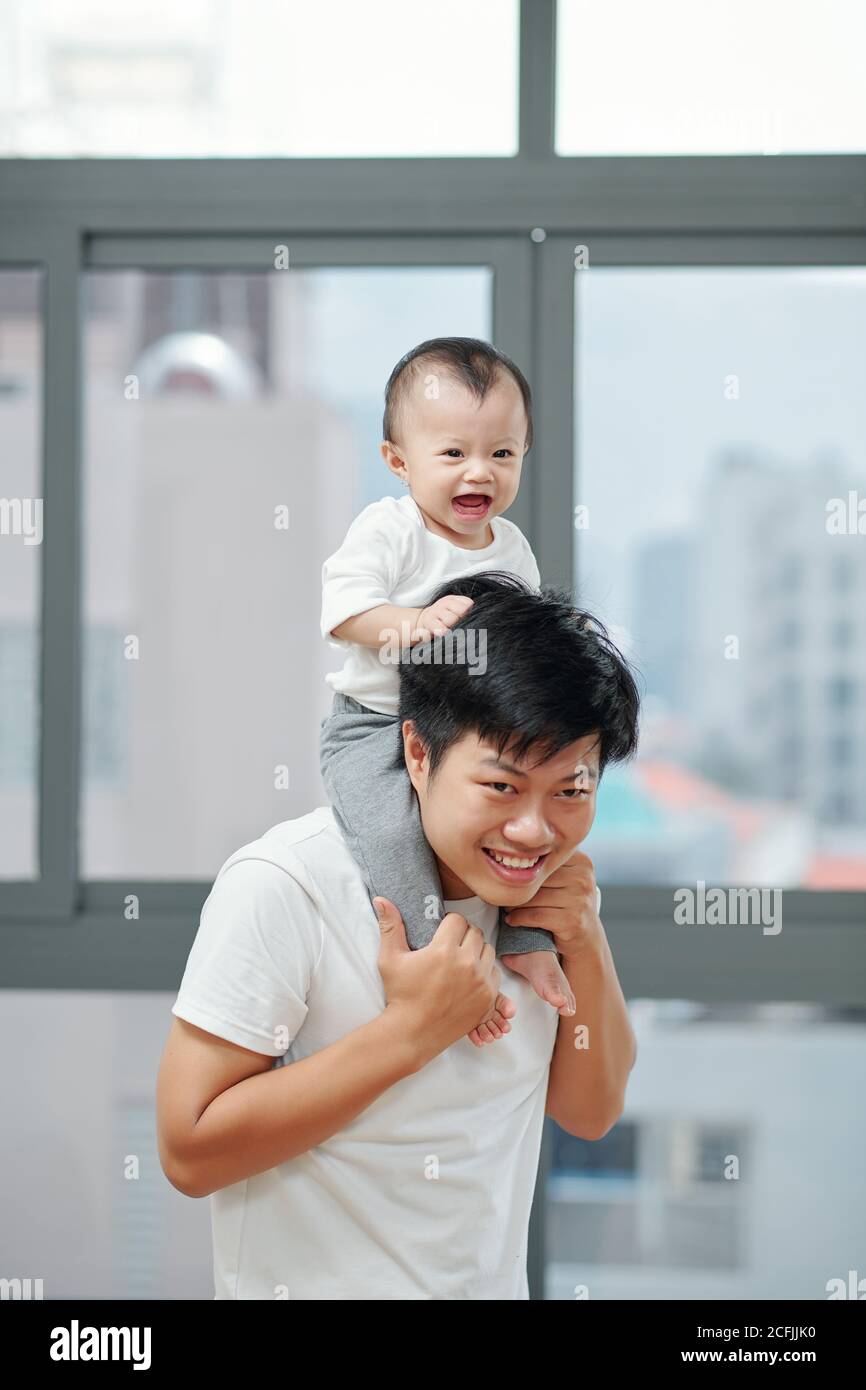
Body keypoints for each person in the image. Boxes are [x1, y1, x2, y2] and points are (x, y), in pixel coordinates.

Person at [156, 574, 641, 1300]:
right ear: (418, 754)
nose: (535, 831)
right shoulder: (285, 883)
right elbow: (189, 1152)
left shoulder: (550, 900)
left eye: (571, 791)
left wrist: (585, 936)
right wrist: (412, 1033)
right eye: (502, 788)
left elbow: (591, 1111)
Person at [319, 337, 578, 1043]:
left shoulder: (510, 547)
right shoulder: (389, 529)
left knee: (531, 836)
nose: (480, 472)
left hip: (467, 736)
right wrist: (410, 623)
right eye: (453, 453)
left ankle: (527, 947)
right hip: (375, 725)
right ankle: (445, 972)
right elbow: (342, 614)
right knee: (394, 838)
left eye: (502, 453)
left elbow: (518, 646)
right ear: (398, 462)